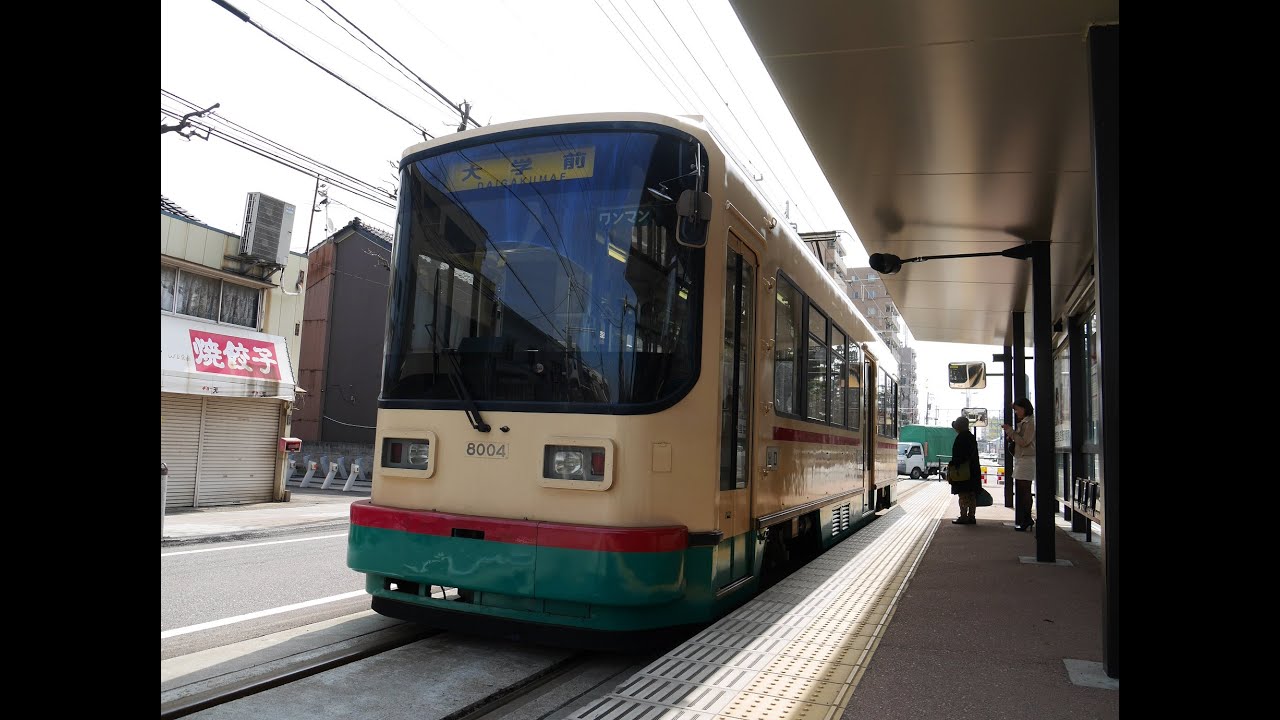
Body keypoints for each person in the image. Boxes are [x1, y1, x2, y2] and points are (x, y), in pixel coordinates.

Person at [1001, 398, 1036, 531]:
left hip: (1027, 459)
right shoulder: (1025, 422)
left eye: (1017, 409)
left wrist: (1011, 431)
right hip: (1022, 458)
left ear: (1024, 408)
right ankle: (1026, 518)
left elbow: (1024, 441)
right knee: (1022, 489)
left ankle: (1027, 519)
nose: (1016, 412)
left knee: (1025, 489)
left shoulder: (1030, 422)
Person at [948, 415, 981, 524]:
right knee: (971, 495)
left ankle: (963, 516)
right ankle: (971, 516)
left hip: (963, 471)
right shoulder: (971, 437)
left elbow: (959, 456)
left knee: (963, 494)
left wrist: (952, 464)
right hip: (973, 471)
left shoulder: (960, 438)